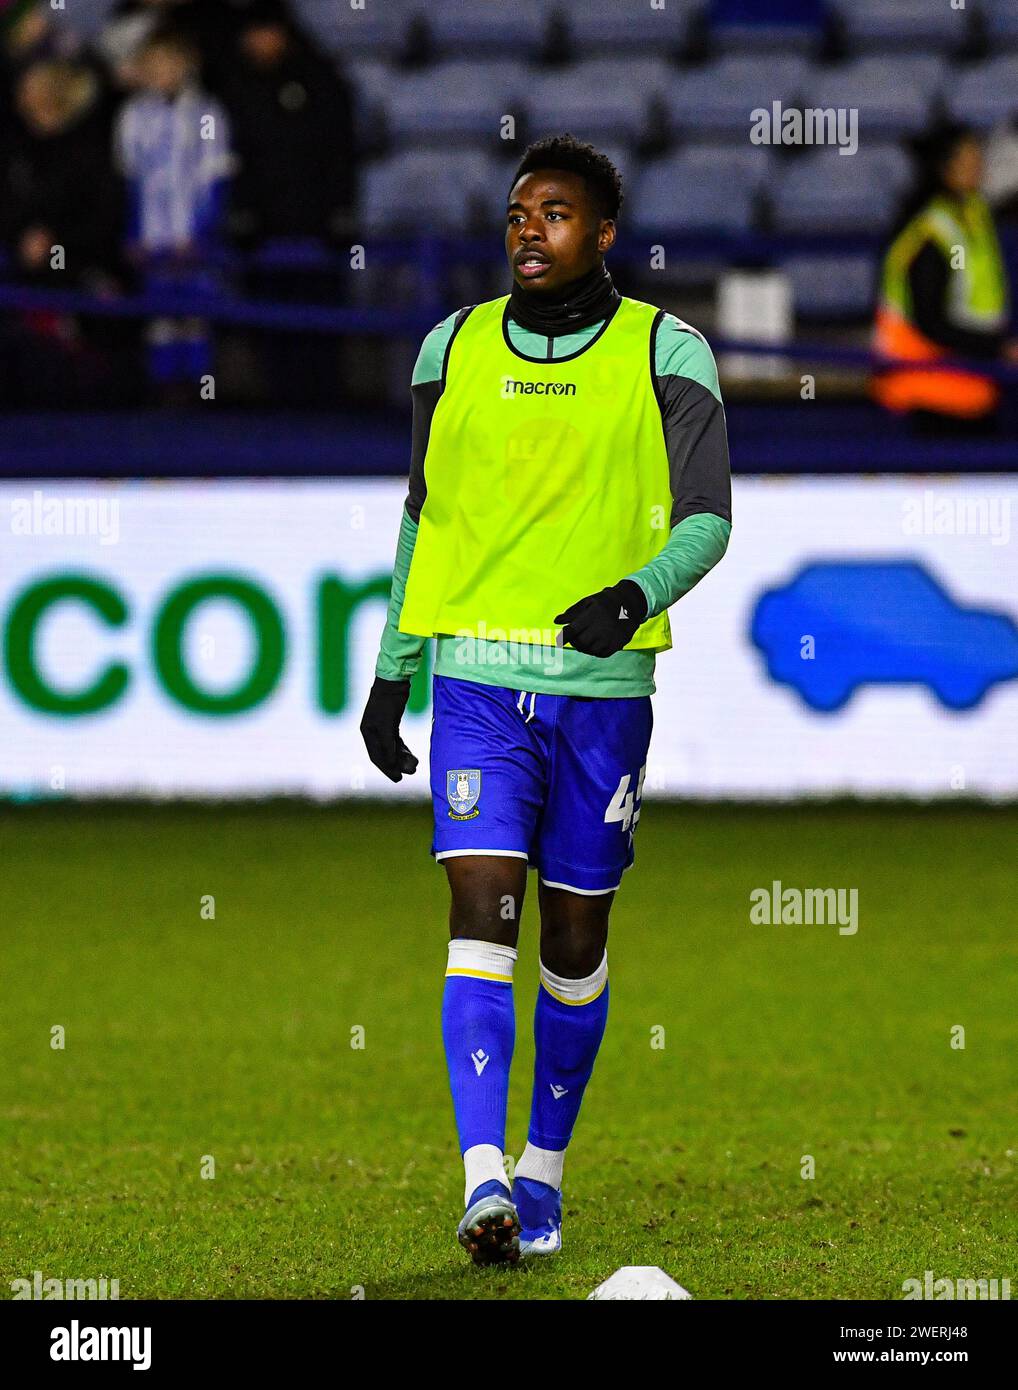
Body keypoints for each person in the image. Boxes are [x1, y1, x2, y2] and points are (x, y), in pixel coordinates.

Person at [360, 136, 732, 1264]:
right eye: (519, 210)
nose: (530, 228)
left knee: (572, 942)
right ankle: (483, 1187)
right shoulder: (452, 345)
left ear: (604, 233)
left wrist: (635, 594)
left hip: (602, 698)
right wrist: (394, 670)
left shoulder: (669, 350)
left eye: (557, 212)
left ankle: (544, 1171)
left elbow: (706, 518)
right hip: (477, 678)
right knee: (481, 915)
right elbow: (426, 516)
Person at [873, 123, 1017, 432]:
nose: (979, 166)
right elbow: (930, 321)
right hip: (926, 394)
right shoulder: (930, 231)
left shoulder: (974, 211)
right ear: (945, 167)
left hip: (972, 385)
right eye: (969, 159)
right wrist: (998, 348)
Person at [114, 24, 233, 395]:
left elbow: (216, 174)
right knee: (160, 316)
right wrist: (134, 233)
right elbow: (129, 178)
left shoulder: (207, 114)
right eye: (153, 65)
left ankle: (201, 392)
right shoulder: (132, 116)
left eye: (170, 64)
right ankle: (164, 393)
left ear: (187, 65)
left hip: (191, 233)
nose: (162, 73)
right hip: (153, 235)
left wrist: (201, 233)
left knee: (196, 314)